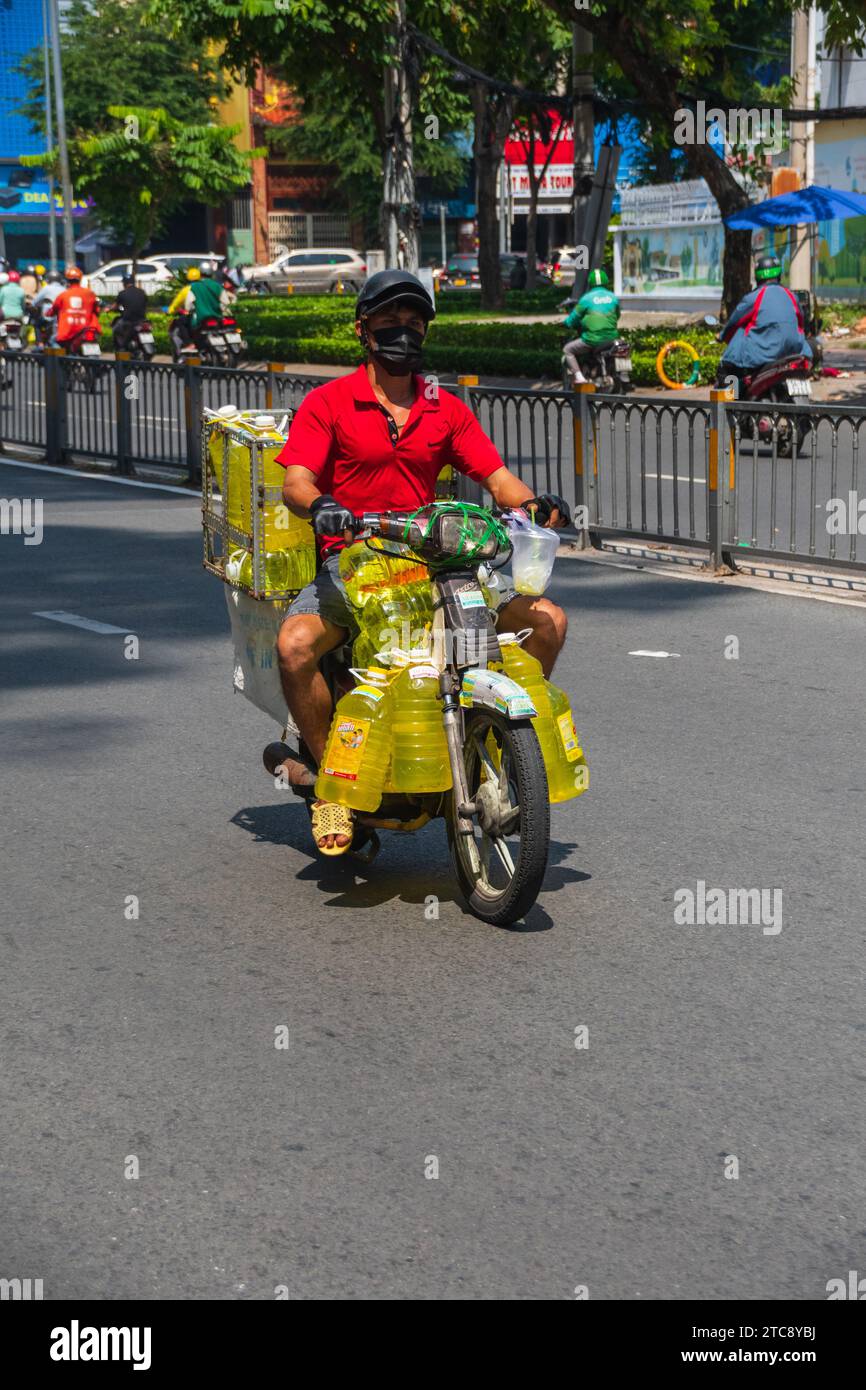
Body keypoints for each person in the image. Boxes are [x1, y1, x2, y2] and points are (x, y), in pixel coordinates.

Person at [273, 268, 570, 854]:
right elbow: (295, 484)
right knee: (295, 646)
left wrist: (534, 505)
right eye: (391, 322)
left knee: (549, 621)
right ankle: (334, 784)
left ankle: (490, 741)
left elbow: (498, 479)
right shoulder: (328, 403)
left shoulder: (446, 410)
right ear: (364, 331)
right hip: (352, 564)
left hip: (437, 562)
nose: (403, 333)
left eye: (414, 323)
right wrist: (323, 507)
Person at [716, 254, 812, 386]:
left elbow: (734, 323)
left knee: (725, 369)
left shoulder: (754, 298)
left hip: (763, 356)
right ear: (778, 275)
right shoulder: (792, 296)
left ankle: (726, 404)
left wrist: (723, 337)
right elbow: (801, 324)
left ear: (757, 277)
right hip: (795, 352)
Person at [562, 267, 621, 384]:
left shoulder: (586, 299)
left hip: (592, 339)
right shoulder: (613, 297)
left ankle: (579, 378)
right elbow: (617, 315)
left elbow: (572, 319)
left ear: (590, 282)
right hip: (612, 338)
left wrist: (566, 323)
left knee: (568, 349)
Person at [46, 265, 100, 348]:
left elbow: (53, 310)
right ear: (80, 279)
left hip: (68, 331)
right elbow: (97, 310)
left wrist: (48, 313)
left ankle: (57, 361)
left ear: (67, 280)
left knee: (53, 341)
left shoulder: (63, 295)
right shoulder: (90, 293)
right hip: (87, 330)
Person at [111, 273, 148, 350]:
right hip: (143, 321)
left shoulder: (122, 293)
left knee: (115, 329)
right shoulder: (142, 292)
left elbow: (114, 307)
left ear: (124, 283)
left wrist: (108, 309)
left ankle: (121, 348)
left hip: (128, 321)